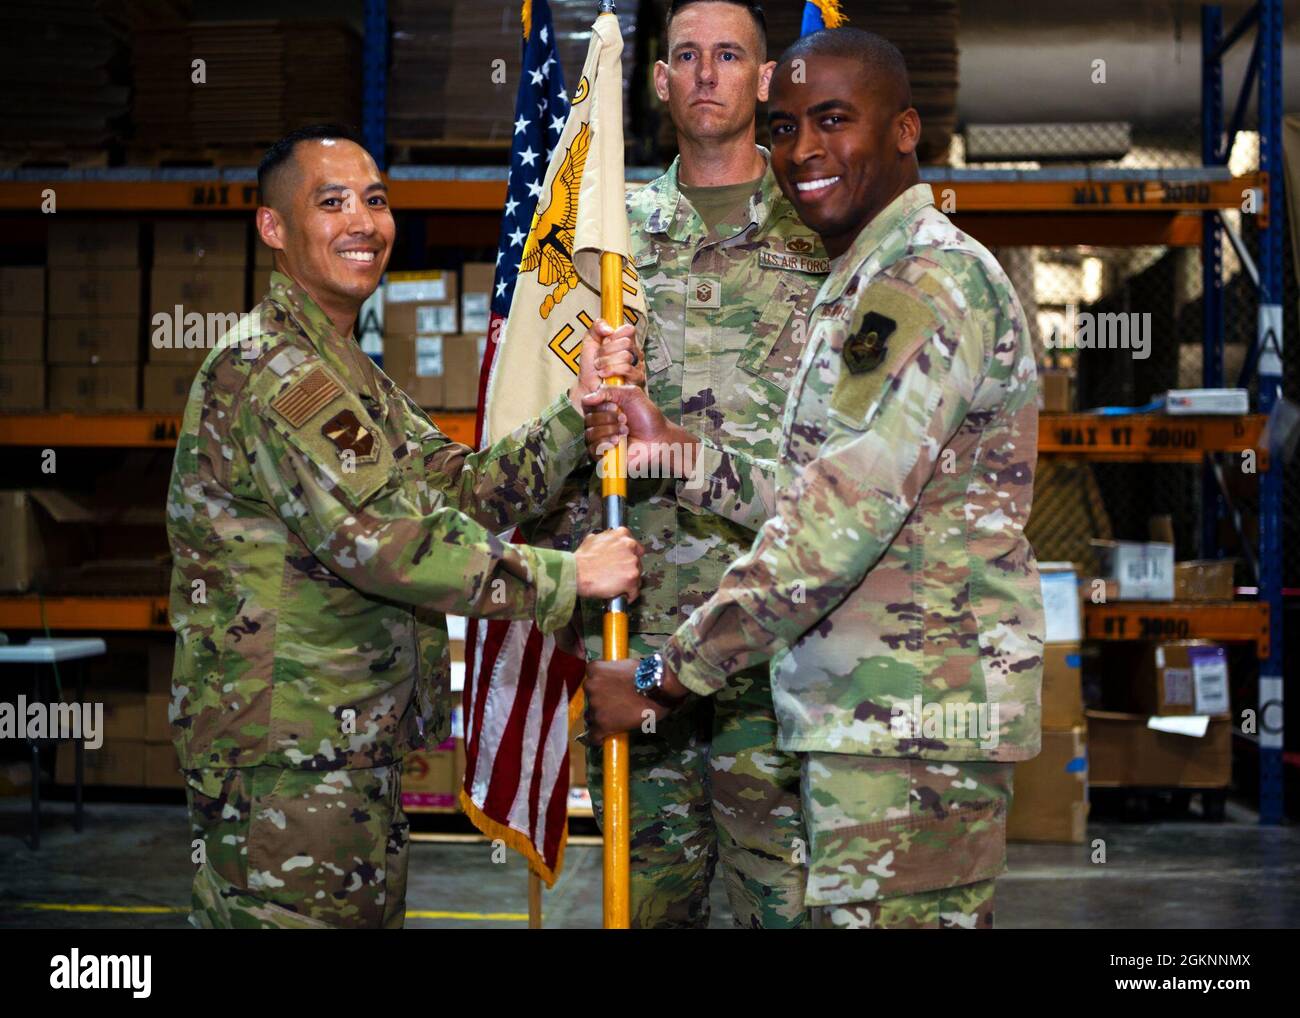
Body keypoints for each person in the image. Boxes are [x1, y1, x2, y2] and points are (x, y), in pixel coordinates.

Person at [582, 27, 1045, 929]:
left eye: (835, 121)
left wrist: (662, 676)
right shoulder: (863, 281)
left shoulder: (924, 280)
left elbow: (838, 520)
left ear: (905, 130)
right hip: (869, 718)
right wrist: (670, 451)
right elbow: (802, 483)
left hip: (911, 725)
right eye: (787, 126)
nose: (803, 153)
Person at [165, 124, 642, 929]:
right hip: (289, 760)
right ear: (274, 229)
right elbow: (388, 544)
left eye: (376, 200)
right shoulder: (275, 371)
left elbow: (451, 488)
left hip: (344, 751)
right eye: (332, 202)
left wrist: (576, 415)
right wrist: (569, 577)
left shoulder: (345, 369)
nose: (364, 221)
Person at [562, 0, 829, 929]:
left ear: (765, 80)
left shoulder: (823, 232)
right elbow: (561, 431)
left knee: (784, 907)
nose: (706, 72)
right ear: (662, 80)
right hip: (640, 638)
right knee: (642, 905)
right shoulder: (606, 240)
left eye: (729, 55)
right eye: (686, 55)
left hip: (783, 636)